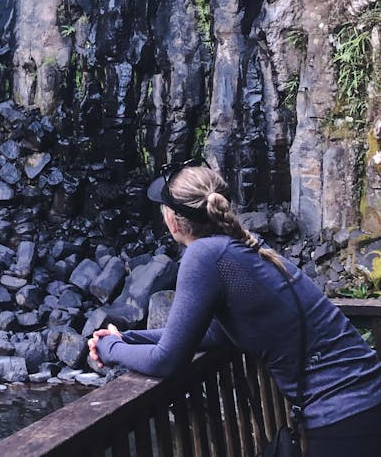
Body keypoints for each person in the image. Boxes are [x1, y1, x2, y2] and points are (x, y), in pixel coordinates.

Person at [88, 164, 381, 456]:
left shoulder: (204, 256)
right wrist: (127, 338)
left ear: (173, 221)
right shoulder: (239, 245)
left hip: (345, 412)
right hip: (363, 399)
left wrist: (107, 347)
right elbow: (215, 334)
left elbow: (168, 361)